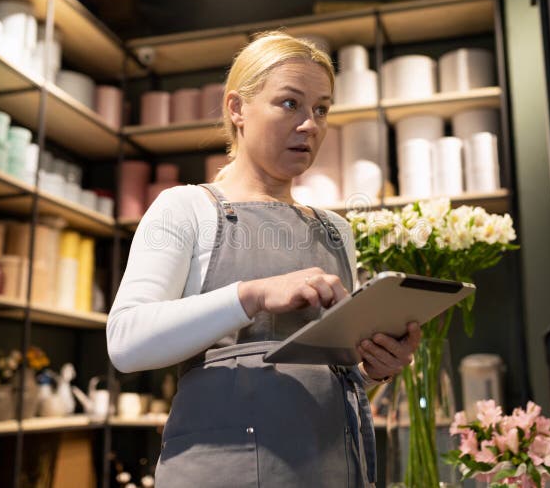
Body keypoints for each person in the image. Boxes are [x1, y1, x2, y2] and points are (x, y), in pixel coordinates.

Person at [107, 31, 421, 488]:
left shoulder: (337, 230)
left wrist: (373, 370)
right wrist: (252, 294)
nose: (311, 124)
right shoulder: (186, 208)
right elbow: (124, 343)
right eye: (290, 103)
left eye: (321, 109)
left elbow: (326, 377)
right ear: (237, 108)